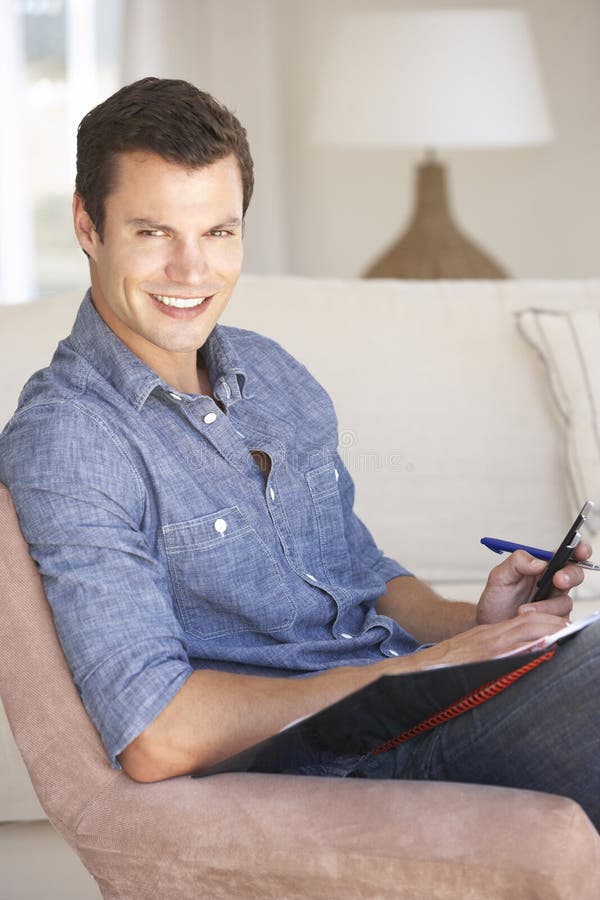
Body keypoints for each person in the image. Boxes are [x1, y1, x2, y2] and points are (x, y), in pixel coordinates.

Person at [1, 78, 598, 828]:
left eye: (218, 233)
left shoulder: (271, 372)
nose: (193, 273)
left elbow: (360, 571)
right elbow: (155, 733)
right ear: (88, 226)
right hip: (328, 766)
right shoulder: (72, 438)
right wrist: (409, 674)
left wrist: (474, 628)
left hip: (411, 707)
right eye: (154, 233)